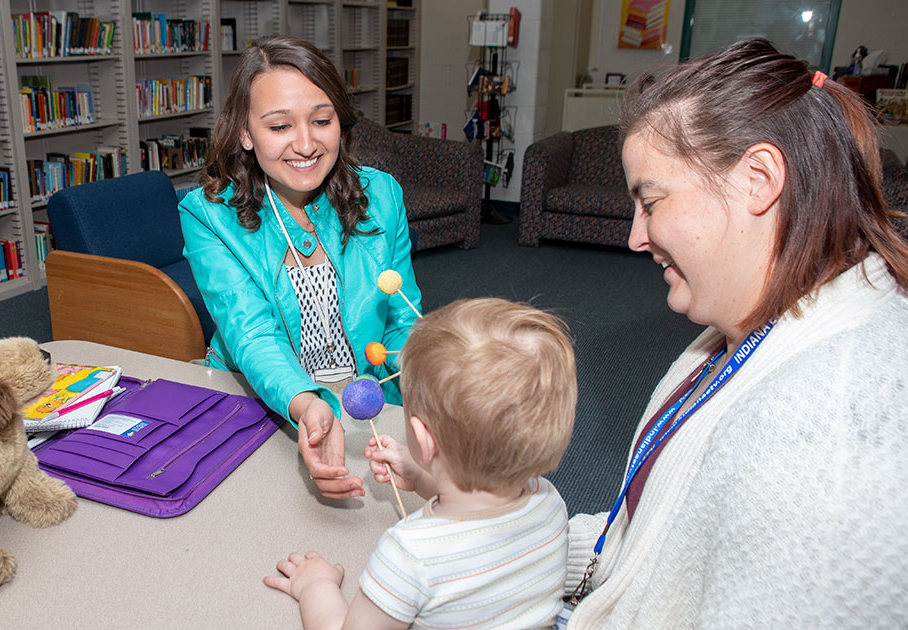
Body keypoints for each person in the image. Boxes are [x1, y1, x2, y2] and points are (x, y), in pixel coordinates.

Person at [561, 39, 908, 628]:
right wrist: (508, 535)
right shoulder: (752, 327)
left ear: (758, 179)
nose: (636, 238)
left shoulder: (823, 455)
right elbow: (652, 535)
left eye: (651, 201)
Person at [179, 36, 421, 499]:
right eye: (279, 126)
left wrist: (430, 385)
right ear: (246, 133)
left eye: (322, 120)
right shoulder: (207, 215)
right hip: (265, 399)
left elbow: (402, 319)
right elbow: (252, 334)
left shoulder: (382, 195)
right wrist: (306, 403)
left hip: (369, 402)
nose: (307, 145)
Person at [264, 298, 578, 629]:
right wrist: (421, 477)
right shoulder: (549, 501)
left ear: (422, 438)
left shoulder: (409, 556)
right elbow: (478, 506)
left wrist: (316, 587)